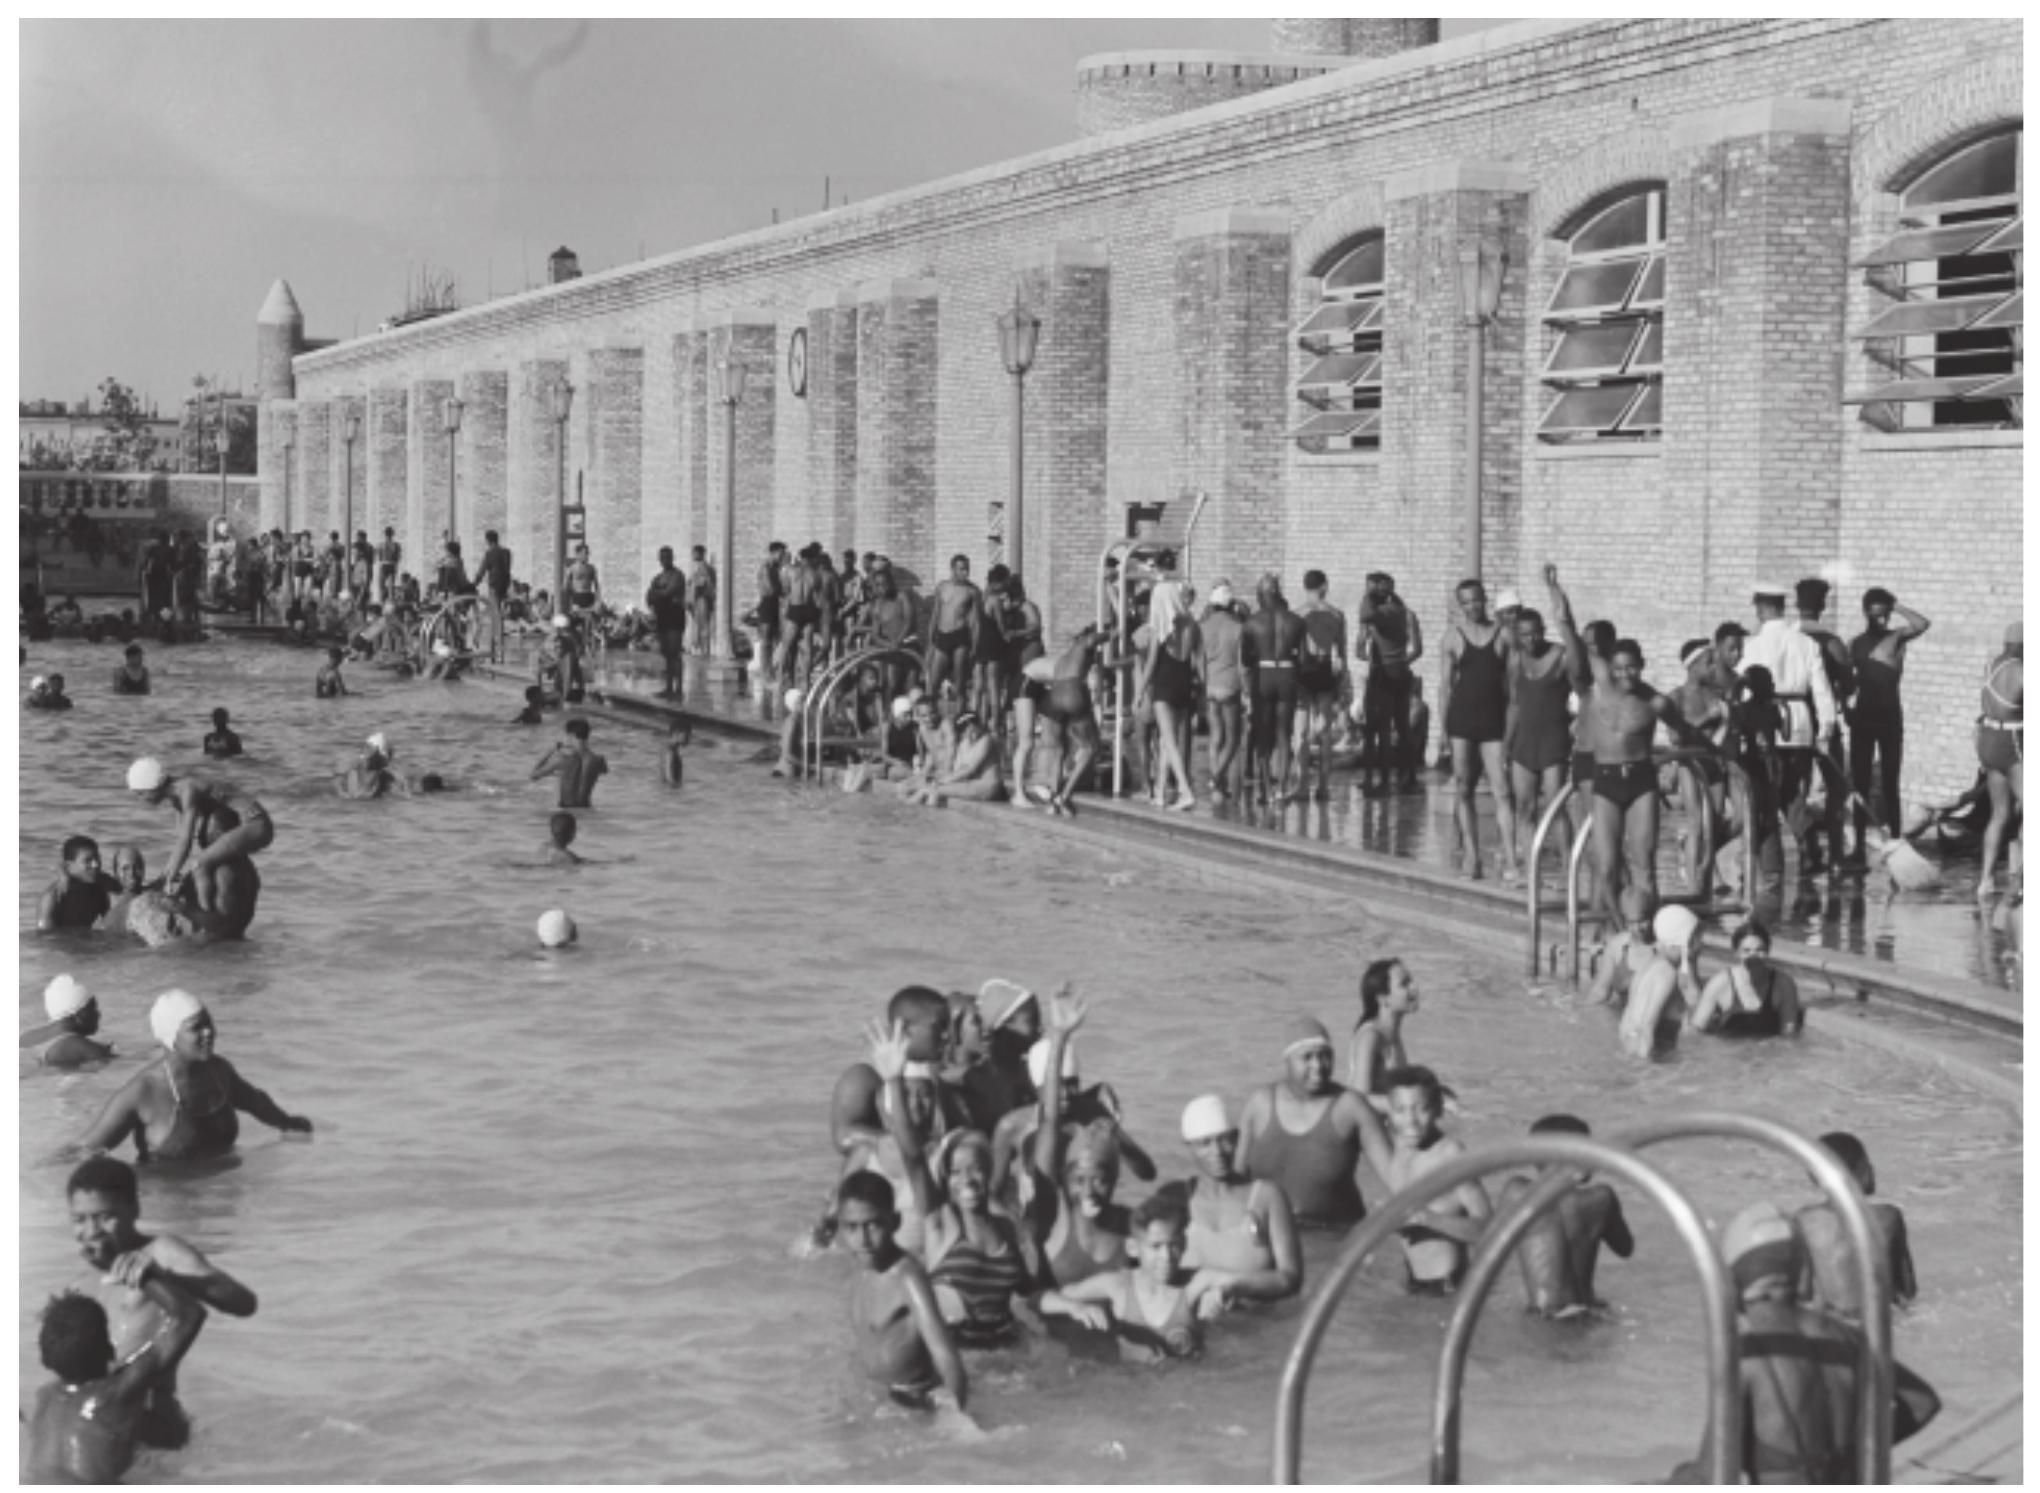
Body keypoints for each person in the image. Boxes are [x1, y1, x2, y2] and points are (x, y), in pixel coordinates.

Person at [1670, 1201, 1940, 1484]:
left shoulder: (1746, 1353)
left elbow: (1711, 1475)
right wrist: (1863, 1450)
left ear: (1732, 1279)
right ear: (1801, 1270)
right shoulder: (1845, 1337)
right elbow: (1922, 1403)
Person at [53, 1154, 259, 1455]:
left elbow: (243, 1303)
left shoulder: (160, 1252)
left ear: (134, 1208)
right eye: (80, 1219)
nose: (92, 1230)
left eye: (105, 1216)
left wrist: (162, 1275)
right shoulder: (81, 1281)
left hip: (154, 1423)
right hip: (101, 1423)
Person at [1546, 564, 1714, 915]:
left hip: (1641, 781)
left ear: (1642, 665)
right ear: (1611, 667)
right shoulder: (1600, 687)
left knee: (1644, 864)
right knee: (1606, 865)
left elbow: (1682, 729)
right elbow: (1569, 632)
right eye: (1619, 668)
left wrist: (1710, 748)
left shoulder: (1655, 702)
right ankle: (1610, 929)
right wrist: (1555, 591)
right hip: (1605, 779)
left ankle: (1646, 931)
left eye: (1632, 668)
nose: (1625, 674)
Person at [871, 1020, 1035, 1350]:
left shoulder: (1005, 1226)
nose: (967, 1180)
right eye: (956, 1172)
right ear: (945, 1179)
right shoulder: (939, 1223)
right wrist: (892, 1081)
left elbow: (1031, 1293)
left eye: (975, 1169)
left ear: (989, 1174)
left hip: (1010, 1360)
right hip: (960, 1360)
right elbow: (913, 1157)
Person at [60, 991, 312, 1164]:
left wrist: (290, 1124)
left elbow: (257, 1103)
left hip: (225, 1206)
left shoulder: (219, 1072)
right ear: (171, 1037)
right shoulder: (143, 1091)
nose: (208, 1033)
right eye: (196, 1027)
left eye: (209, 1024)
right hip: (169, 1206)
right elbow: (86, 1148)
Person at [25, 1279, 204, 1483]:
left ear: (47, 1356)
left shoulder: (44, 1398)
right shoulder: (115, 1397)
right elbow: (190, 1315)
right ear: (109, 1348)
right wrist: (144, 1275)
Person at [1236, 1016, 1394, 1229]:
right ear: (1287, 1061)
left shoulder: (1350, 1107)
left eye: (1325, 1056)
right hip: (1273, 1234)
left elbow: (1395, 1175)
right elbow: (1235, 1180)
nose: (1318, 1065)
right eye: (1307, 1057)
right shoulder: (1260, 1104)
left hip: (1336, 1237)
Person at [835, 1171, 969, 1412]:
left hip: (914, 1400)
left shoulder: (907, 1277)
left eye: (873, 1225)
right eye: (852, 1227)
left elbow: (946, 1356)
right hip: (878, 1398)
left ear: (895, 1222)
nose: (863, 1239)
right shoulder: (858, 1271)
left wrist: (954, 1419)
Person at [1742, 581, 1841, 873]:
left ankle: (1789, 848)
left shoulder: (1753, 646)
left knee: (1774, 791)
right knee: (1791, 788)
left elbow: (1745, 690)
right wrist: (1826, 730)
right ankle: (1807, 843)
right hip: (1799, 724)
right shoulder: (1806, 644)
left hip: (1766, 725)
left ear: (1762, 608)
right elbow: (1823, 692)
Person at [1040, 1190, 1205, 1363]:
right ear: (1132, 1248)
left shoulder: (1196, 1284)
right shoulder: (1118, 1285)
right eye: (1155, 1246)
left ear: (1184, 1244)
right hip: (1129, 1382)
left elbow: (1233, 1277)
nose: (1166, 1256)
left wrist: (1221, 1295)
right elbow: (1039, 1299)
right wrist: (1074, 1308)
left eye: (1174, 1245)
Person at [1495, 1115, 1634, 1318]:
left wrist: (1432, 1219)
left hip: (1544, 1317)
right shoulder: (1602, 1198)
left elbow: (1484, 1241)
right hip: (1587, 1315)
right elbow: (1625, 1248)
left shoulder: (1519, 1192)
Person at [1173, 1095, 1303, 1308]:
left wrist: (1230, 1285)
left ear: (1237, 1138)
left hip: (1256, 1332)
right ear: (1188, 1147)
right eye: (1205, 1143)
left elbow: (1291, 1279)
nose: (1217, 1152)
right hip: (1193, 1330)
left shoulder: (1267, 1197)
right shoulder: (1176, 1198)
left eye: (1224, 1140)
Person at [1382, 1065, 1490, 1293]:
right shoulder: (1399, 1149)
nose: (1411, 1120)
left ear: (1439, 1108)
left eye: (1421, 1109)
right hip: (1412, 1284)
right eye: (1400, 1110)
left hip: (1449, 1289)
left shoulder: (1451, 1156)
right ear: (1389, 1112)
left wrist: (1427, 1218)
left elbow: (1490, 1230)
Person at [127, 757, 272, 926]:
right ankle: (204, 913)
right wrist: (164, 877)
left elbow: (186, 841)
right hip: (248, 822)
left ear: (152, 788)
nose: (140, 799)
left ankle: (206, 914)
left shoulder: (187, 790)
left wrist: (169, 879)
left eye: (140, 794)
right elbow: (179, 842)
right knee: (198, 866)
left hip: (256, 823)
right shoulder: (177, 796)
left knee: (199, 864)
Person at [1441, 579, 1521, 881]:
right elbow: (1445, 688)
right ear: (1459, 605)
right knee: (1463, 787)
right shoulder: (1452, 638)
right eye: (1466, 602)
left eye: (1476, 600)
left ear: (1484, 600)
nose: (1472, 606)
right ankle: (1472, 856)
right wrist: (1443, 730)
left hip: (1493, 722)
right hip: (1462, 721)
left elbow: (1513, 689)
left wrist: (1512, 728)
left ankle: (1512, 859)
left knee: (1502, 789)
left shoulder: (1503, 636)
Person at [1796, 1131, 1917, 1321]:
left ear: (1814, 1176)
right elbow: (1907, 1291)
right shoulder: (1889, 1218)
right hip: (1878, 1323)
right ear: (1863, 1170)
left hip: (1830, 1323)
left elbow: (1803, 1292)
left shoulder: (1804, 1221)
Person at [1848, 589, 1931, 843]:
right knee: (1860, 782)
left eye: (1885, 615)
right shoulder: (1855, 643)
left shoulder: (1896, 639)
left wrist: (1896, 605)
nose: (1882, 620)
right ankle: (1859, 842)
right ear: (1866, 614)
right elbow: (1848, 682)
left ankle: (1896, 837)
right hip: (1863, 717)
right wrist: (1846, 707)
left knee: (1890, 782)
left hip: (1889, 718)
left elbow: (1922, 624)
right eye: (1877, 615)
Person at [1505, 607, 1575, 879]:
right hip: (1524, 743)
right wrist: (1507, 743)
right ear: (1517, 636)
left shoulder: (1560, 657)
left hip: (1553, 741)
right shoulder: (1515, 660)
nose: (1531, 640)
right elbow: (1513, 704)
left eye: (1535, 634)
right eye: (1524, 635)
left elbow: (1581, 693)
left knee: (1556, 807)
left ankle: (1568, 867)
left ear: (1543, 632)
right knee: (1524, 808)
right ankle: (1532, 870)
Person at [1135, 579, 1203, 811]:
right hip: (1184, 683)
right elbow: (1198, 660)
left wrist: (1139, 692)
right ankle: (1160, 793)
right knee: (1166, 742)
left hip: (1164, 685)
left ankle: (1185, 791)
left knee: (1170, 743)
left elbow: (1151, 663)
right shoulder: (1192, 624)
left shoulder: (1161, 628)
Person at [1241, 574, 1309, 804]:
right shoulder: (1297, 621)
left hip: (1264, 673)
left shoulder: (1252, 622)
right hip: (1287, 674)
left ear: (1261, 594)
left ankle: (1266, 789)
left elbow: (1246, 658)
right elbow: (1305, 658)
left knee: (1263, 732)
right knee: (1283, 733)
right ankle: (1281, 787)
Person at [1359, 571, 1424, 792]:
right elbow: (1417, 649)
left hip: (1382, 673)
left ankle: (1381, 780)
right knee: (1403, 726)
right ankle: (1409, 776)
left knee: (1379, 728)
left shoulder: (1381, 614)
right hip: (1401, 672)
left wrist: (1382, 658)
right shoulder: (1407, 613)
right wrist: (1401, 660)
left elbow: (1365, 618)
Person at [1689, 919, 1804, 1037]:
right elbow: (1696, 1031)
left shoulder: (1783, 985)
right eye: (1746, 950)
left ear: (1768, 951)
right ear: (1736, 953)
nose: (1753, 956)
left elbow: (1789, 1035)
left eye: (1760, 950)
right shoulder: (1720, 984)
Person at [1292, 570, 1350, 803]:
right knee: (1324, 732)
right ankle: (1323, 787)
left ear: (1306, 587)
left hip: (1304, 671)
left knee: (1301, 732)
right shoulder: (1336, 615)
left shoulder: (1297, 615)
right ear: (1324, 587)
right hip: (1325, 669)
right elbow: (1342, 656)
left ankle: (1302, 785)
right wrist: (1343, 686)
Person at [1975, 621, 2022, 900]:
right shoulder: (2021, 671)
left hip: (1989, 739)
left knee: (2000, 814)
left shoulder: (1993, 665)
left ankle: (1985, 881)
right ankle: (2024, 879)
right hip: (2012, 742)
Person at [1618, 904, 1701, 1060]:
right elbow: (1646, 1027)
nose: (1700, 945)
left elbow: (1625, 1027)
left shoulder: (1647, 967)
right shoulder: (1666, 973)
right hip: (1651, 1062)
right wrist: (1647, 1077)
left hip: (1636, 1054)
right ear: (1683, 939)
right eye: (1696, 938)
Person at [1346, 958, 1420, 1109]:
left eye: (1411, 981)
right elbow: (1359, 1099)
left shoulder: (1392, 1035)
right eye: (1404, 984)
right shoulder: (1370, 1037)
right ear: (1383, 999)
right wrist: (1408, 1106)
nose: (1414, 987)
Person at [1200, 580, 1248, 801]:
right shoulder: (1238, 628)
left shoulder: (1203, 626)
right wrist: (1246, 691)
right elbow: (1241, 664)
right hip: (1230, 686)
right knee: (1234, 739)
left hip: (1210, 684)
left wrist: (1204, 681)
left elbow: (1199, 661)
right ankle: (1217, 777)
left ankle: (1218, 787)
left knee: (1216, 736)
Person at [904, 710, 1006, 806]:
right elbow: (957, 769)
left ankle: (912, 811)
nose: (970, 734)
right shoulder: (964, 744)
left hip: (988, 786)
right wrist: (939, 779)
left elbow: (969, 770)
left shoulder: (986, 740)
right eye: (966, 731)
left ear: (979, 725)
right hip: (972, 783)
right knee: (929, 789)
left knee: (930, 790)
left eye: (973, 729)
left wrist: (943, 781)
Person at [924, 553, 982, 707]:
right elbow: (935, 615)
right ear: (953, 569)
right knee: (933, 682)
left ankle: (960, 717)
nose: (965, 573)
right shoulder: (942, 587)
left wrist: (974, 646)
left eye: (966, 569)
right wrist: (930, 642)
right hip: (943, 635)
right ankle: (930, 714)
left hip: (960, 636)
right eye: (961, 569)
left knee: (960, 683)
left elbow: (975, 621)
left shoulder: (972, 591)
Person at [21, 974, 115, 1069]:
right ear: (79, 1015)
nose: (98, 1014)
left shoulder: (25, 1037)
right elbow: (120, 1067)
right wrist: (103, 1052)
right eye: (93, 1009)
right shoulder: (81, 1047)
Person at [38, 834, 122, 931]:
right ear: (69, 866)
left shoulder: (103, 884)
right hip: (64, 944)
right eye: (88, 861)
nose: (96, 865)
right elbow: (45, 940)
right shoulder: (52, 898)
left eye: (97, 858)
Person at [531, 717, 608, 809]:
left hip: (567, 810)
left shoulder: (563, 760)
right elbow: (604, 771)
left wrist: (550, 751)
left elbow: (533, 776)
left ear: (571, 735)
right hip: (587, 809)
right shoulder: (599, 760)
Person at [645, 544, 690, 698]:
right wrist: (659, 594)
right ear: (659, 559)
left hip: (675, 616)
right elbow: (649, 597)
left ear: (672, 558)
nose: (665, 560)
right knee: (666, 652)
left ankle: (678, 688)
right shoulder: (657, 578)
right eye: (662, 557)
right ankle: (669, 686)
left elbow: (668, 592)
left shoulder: (678, 575)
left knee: (674, 652)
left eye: (667, 557)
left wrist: (658, 593)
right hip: (662, 616)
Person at [688, 544, 717, 657]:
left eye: (695, 553)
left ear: (700, 553)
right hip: (698, 599)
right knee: (698, 625)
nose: (693, 555)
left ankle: (704, 650)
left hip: (702, 599)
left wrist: (691, 582)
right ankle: (699, 648)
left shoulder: (704, 567)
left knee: (703, 625)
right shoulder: (699, 567)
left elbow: (702, 583)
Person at [375, 526, 402, 604]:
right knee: (391, 587)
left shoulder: (381, 545)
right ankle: (391, 603)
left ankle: (381, 603)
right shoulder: (396, 545)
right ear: (392, 534)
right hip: (392, 565)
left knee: (381, 586)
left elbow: (379, 557)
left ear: (385, 534)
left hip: (384, 564)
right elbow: (398, 558)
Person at [661, 717, 689, 788]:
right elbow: (668, 774)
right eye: (685, 735)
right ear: (676, 733)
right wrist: (674, 787)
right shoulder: (669, 751)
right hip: (671, 790)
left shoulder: (674, 749)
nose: (686, 737)